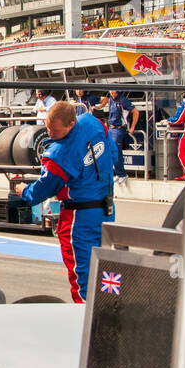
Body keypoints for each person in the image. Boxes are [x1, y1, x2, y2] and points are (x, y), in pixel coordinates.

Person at [19, 102, 116, 303]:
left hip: (78, 217)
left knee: (81, 273)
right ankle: (110, 311)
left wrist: (24, 191)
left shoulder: (59, 154)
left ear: (71, 124)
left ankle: (84, 320)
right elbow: (113, 153)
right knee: (107, 270)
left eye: (54, 130)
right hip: (107, 210)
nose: (50, 133)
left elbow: (42, 190)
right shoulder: (94, 123)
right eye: (47, 128)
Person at [104, 89, 137, 181]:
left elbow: (136, 112)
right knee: (110, 151)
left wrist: (132, 127)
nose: (111, 92)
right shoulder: (110, 100)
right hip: (111, 127)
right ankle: (118, 173)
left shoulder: (123, 100)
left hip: (119, 128)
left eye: (113, 90)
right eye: (110, 90)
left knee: (116, 151)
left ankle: (122, 174)